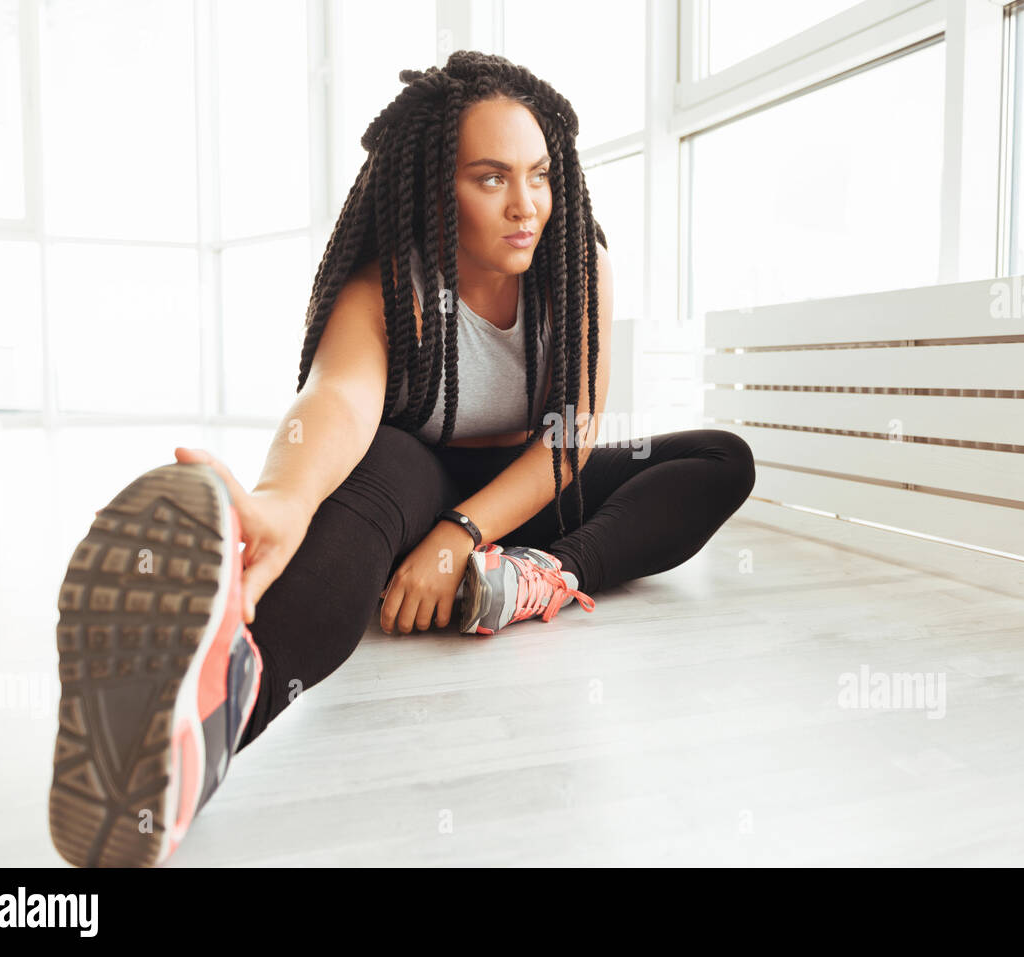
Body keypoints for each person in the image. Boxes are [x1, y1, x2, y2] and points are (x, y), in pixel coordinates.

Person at [47, 51, 755, 868]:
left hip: (528, 482)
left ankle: (530, 577)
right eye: (490, 178)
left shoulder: (578, 267)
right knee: (349, 530)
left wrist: (462, 535)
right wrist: (283, 501)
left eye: (538, 175)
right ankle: (185, 743)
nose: (525, 205)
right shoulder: (391, 286)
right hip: (415, 465)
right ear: (433, 185)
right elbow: (337, 402)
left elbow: (570, 438)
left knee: (719, 459)